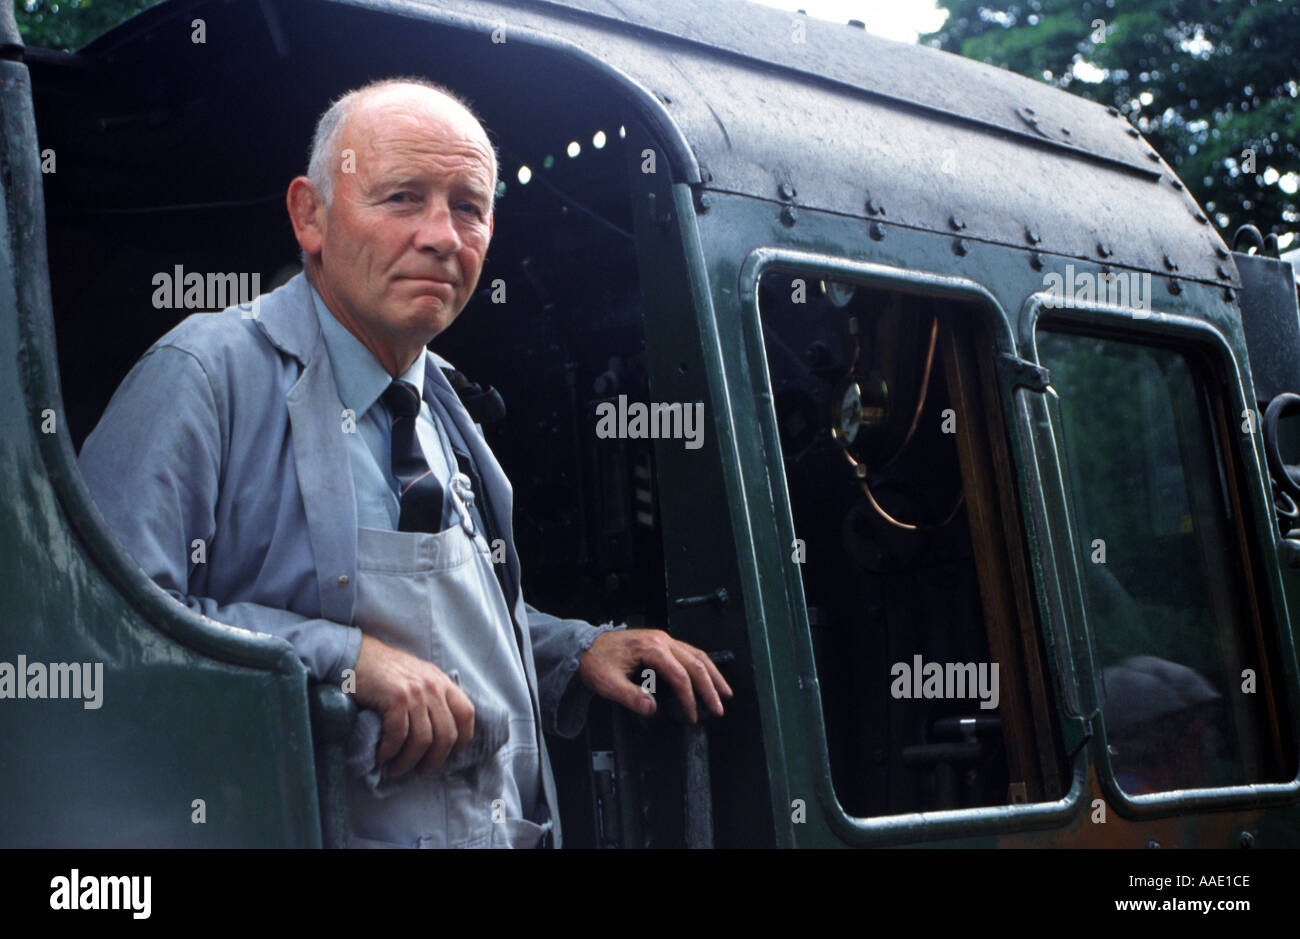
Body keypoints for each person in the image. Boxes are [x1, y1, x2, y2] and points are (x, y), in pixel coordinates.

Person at [78, 77, 732, 848]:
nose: (442, 236)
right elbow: (99, 628)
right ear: (309, 215)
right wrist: (347, 659)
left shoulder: (448, 404)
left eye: (468, 206)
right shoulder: (203, 374)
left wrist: (574, 648)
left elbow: (445, 626)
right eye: (401, 197)